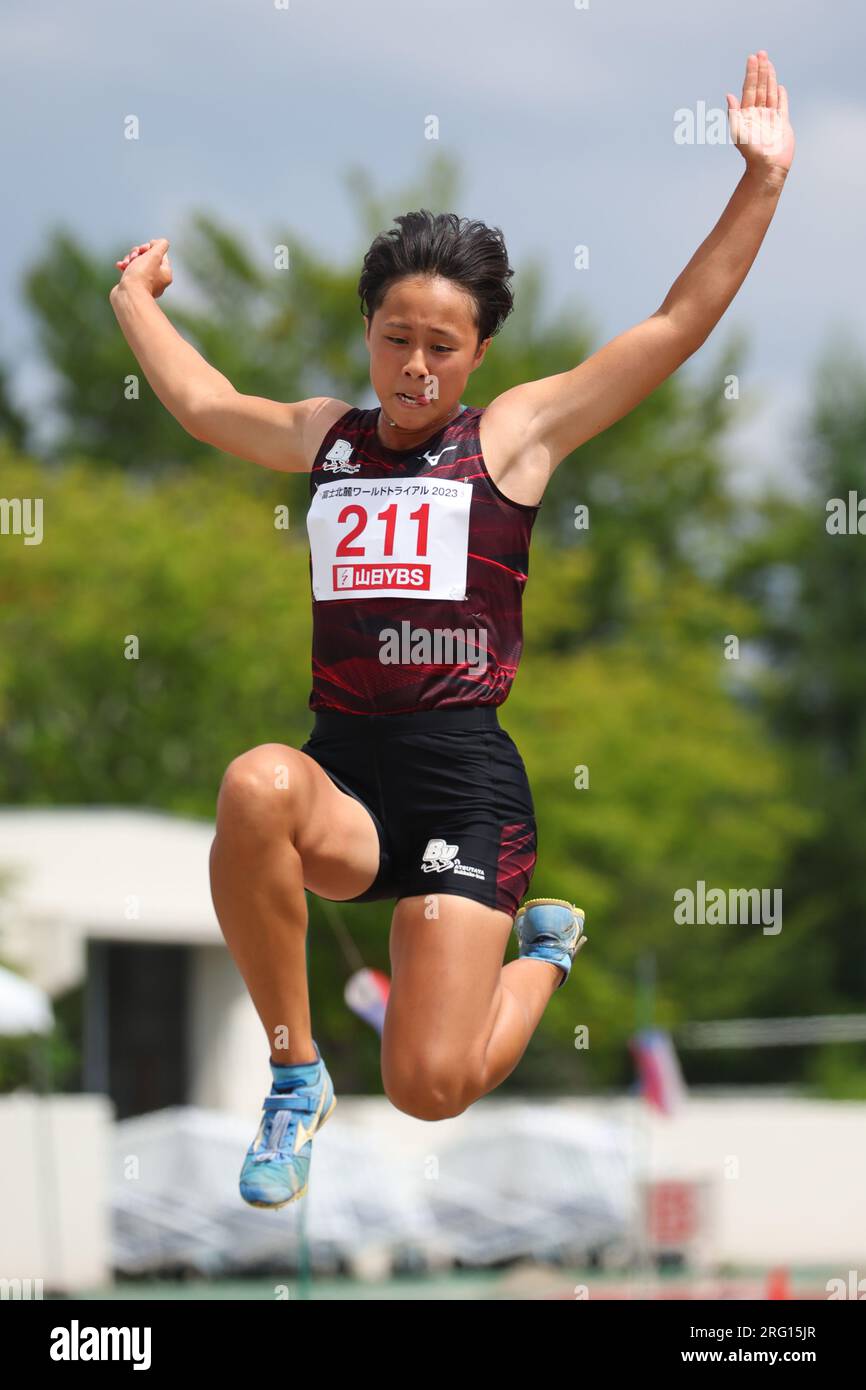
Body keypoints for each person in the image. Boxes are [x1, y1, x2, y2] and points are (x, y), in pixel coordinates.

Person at [110, 50, 793, 1209]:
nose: (414, 363)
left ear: (477, 352)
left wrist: (760, 183)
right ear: (368, 333)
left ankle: (541, 952)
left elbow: (674, 325)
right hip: (346, 774)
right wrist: (131, 297)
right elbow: (205, 404)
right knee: (251, 788)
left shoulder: (512, 437)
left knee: (429, 1084)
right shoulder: (329, 436)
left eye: (440, 344)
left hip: (458, 784)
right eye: (393, 337)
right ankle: (292, 1074)